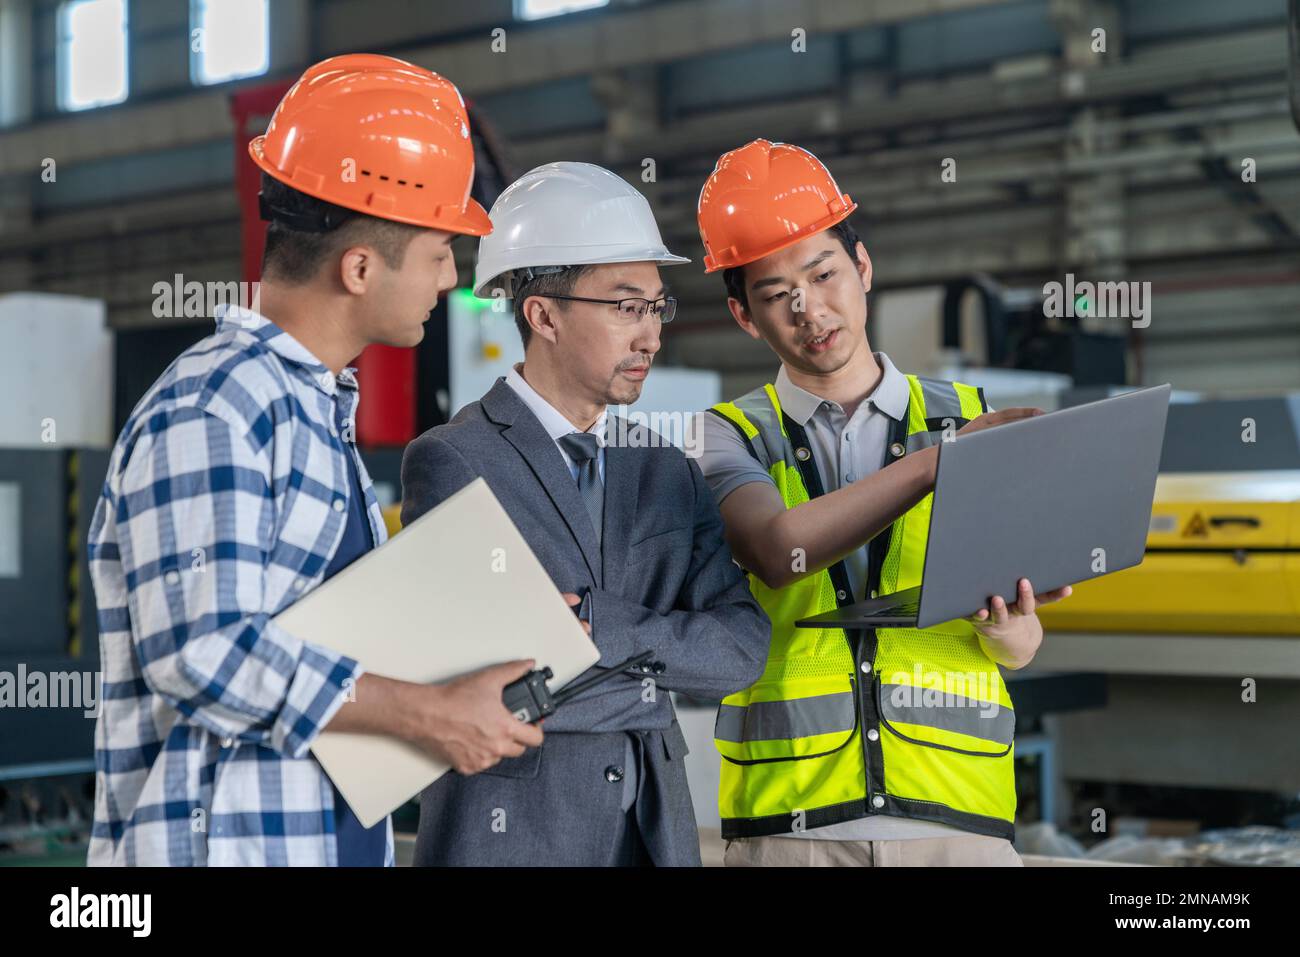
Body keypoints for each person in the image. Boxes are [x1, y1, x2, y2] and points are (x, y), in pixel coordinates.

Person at [86, 54, 542, 867]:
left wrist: (496, 631)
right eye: (440, 248)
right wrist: (426, 713)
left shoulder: (313, 407)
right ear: (359, 267)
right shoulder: (214, 408)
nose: (451, 276)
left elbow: (320, 641)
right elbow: (204, 652)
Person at [693, 139, 1072, 866]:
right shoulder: (724, 435)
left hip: (954, 819)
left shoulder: (971, 412)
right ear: (745, 316)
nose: (809, 309)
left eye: (825, 273)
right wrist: (940, 463)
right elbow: (779, 551)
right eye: (775, 294)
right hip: (792, 823)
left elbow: (1023, 647)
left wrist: (1008, 627)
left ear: (862, 268)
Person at [401, 162, 771, 866]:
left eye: (656, 308)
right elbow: (480, 691)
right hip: (514, 839)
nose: (651, 336)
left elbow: (741, 648)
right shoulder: (456, 460)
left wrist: (607, 628)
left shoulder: (666, 469)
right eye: (625, 307)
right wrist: (656, 687)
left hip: (652, 839)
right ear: (543, 314)